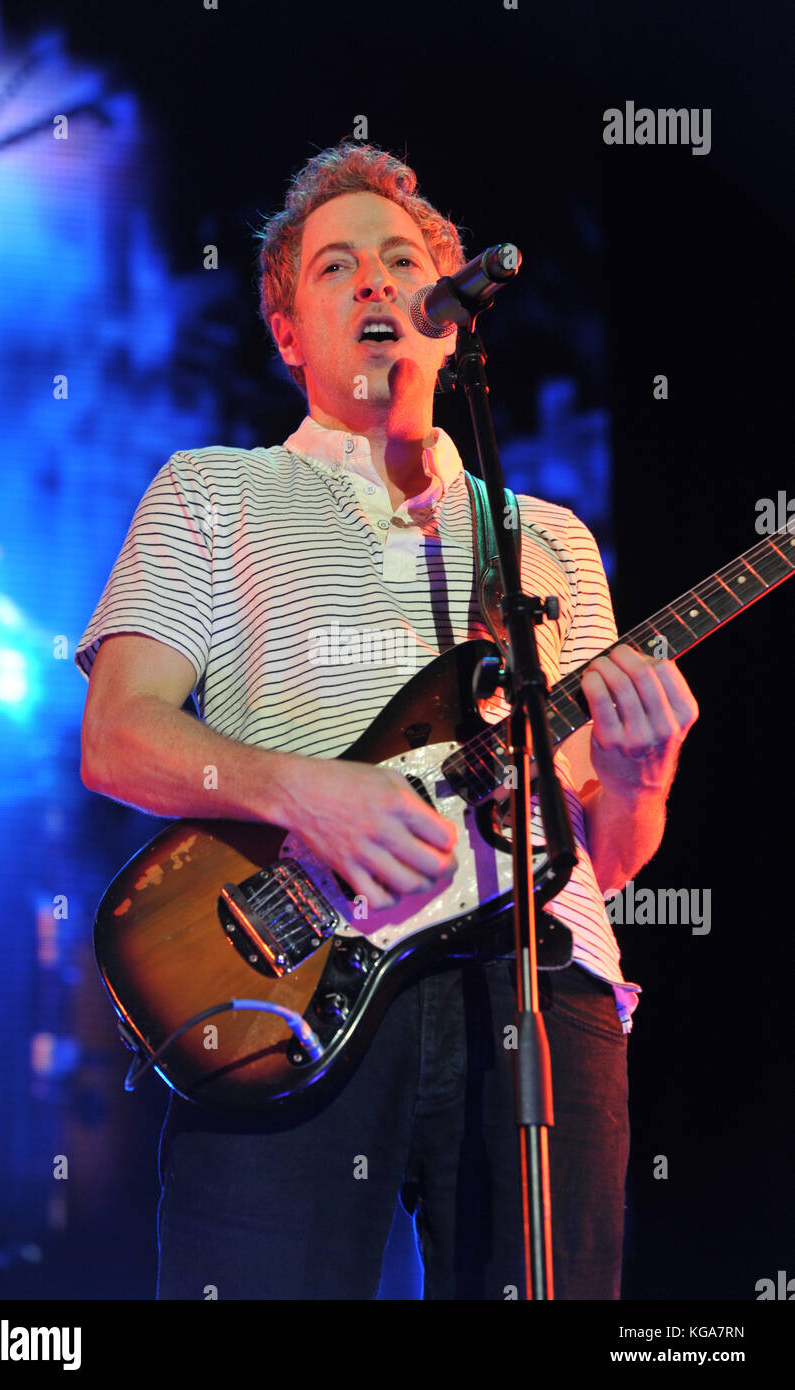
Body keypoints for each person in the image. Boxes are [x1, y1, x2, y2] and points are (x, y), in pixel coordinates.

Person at [76, 140, 699, 1300]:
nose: (374, 282)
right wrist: (303, 790)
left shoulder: (548, 538)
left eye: (402, 261)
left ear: (450, 317)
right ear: (287, 332)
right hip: (283, 980)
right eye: (336, 267)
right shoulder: (211, 491)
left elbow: (604, 854)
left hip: (535, 986)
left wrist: (640, 771)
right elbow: (118, 734)